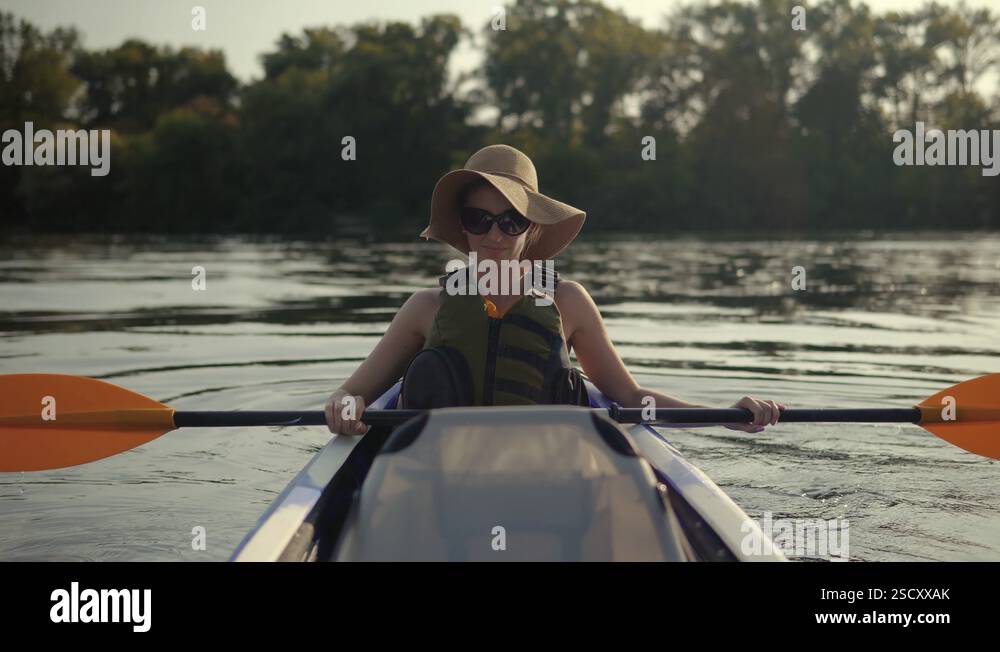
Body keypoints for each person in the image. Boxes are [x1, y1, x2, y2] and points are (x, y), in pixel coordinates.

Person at [325, 144, 784, 434]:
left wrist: (724, 414)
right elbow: (348, 395)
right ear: (463, 229)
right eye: (478, 219)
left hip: (546, 470)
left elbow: (629, 398)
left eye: (512, 220)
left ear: (531, 231)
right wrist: (344, 411)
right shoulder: (425, 308)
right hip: (438, 473)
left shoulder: (568, 302)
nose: (495, 235)